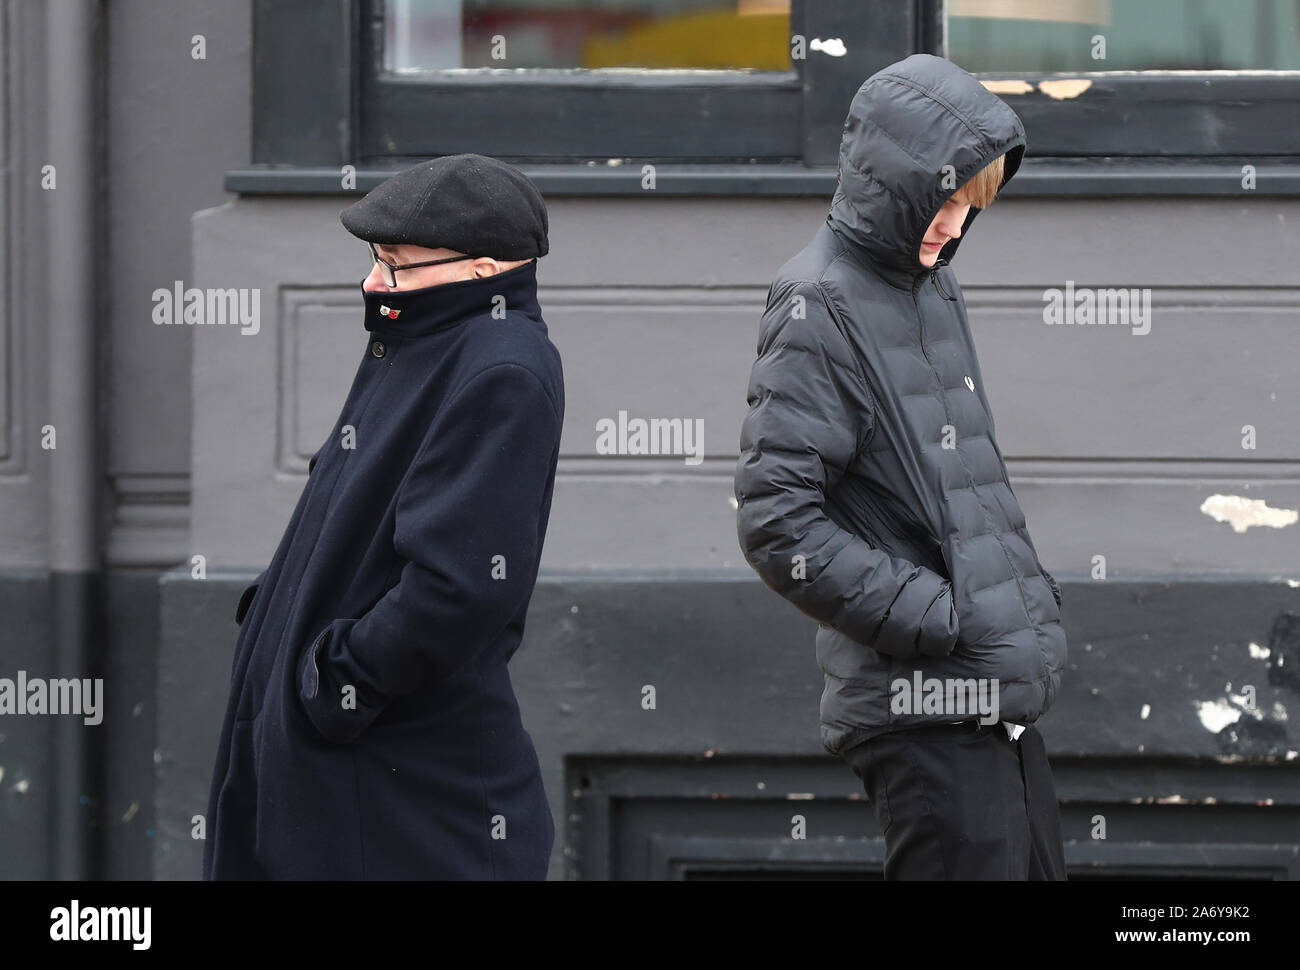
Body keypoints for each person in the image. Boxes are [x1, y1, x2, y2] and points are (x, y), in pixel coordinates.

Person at [734, 54, 1068, 880]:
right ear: (894, 179)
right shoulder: (817, 301)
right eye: (945, 196)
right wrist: (938, 617)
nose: (953, 223)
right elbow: (777, 522)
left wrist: (1016, 613)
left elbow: (960, 489)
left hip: (994, 702)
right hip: (924, 707)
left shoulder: (929, 288)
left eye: (971, 204)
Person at [204, 153, 564, 879]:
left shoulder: (501, 367)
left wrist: (337, 679)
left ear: (482, 269)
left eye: (397, 265)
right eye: (375, 260)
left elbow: (461, 585)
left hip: (401, 788)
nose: (374, 282)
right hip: (335, 768)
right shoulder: (414, 340)